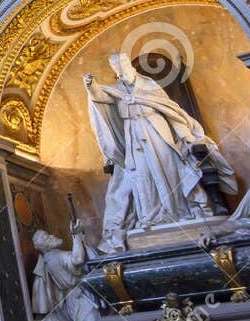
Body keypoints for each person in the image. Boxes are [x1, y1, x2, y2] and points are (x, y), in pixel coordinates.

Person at [86, 51, 237, 250]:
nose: (121, 70)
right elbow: (100, 97)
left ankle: (180, 211)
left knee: (169, 167)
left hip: (157, 130)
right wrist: (90, 86)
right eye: (116, 67)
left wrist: (187, 136)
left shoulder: (148, 85)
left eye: (123, 65)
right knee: (142, 174)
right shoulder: (116, 90)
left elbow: (169, 108)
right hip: (134, 133)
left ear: (131, 67)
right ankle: (151, 215)